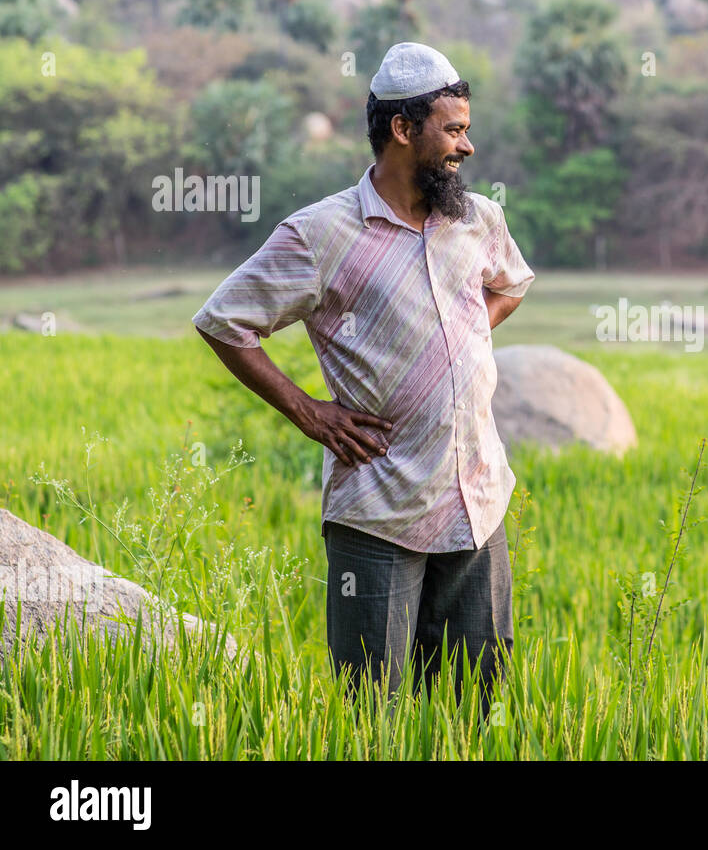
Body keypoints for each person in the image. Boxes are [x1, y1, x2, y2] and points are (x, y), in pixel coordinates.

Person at [192, 42, 535, 717]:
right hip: (379, 509)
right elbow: (224, 321)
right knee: (372, 714)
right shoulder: (321, 234)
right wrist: (308, 413)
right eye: (455, 129)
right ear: (404, 130)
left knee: (476, 709)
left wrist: (460, 345)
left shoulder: (475, 219)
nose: (468, 146)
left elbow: (512, 284)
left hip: (478, 499)